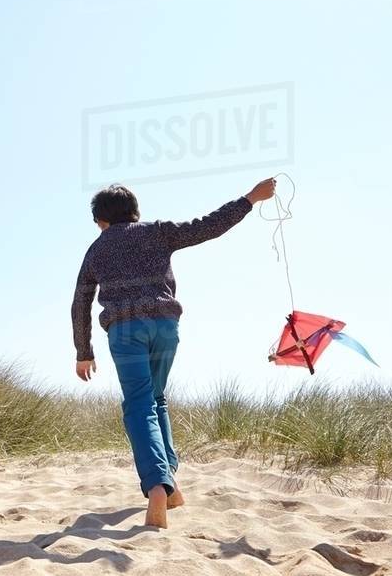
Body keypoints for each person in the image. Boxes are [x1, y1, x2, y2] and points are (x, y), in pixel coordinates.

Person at [70, 177, 276, 528]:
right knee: (157, 399)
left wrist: (83, 351)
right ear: (135, 213)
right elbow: (208, 226)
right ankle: (172, 483)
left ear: (101, 221)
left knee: (138, 404)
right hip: (165, 327)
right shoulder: (158, 232)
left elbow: (81, 302)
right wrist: (250, 199)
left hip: (125, 330)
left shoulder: (97, 249)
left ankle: (156, 489)